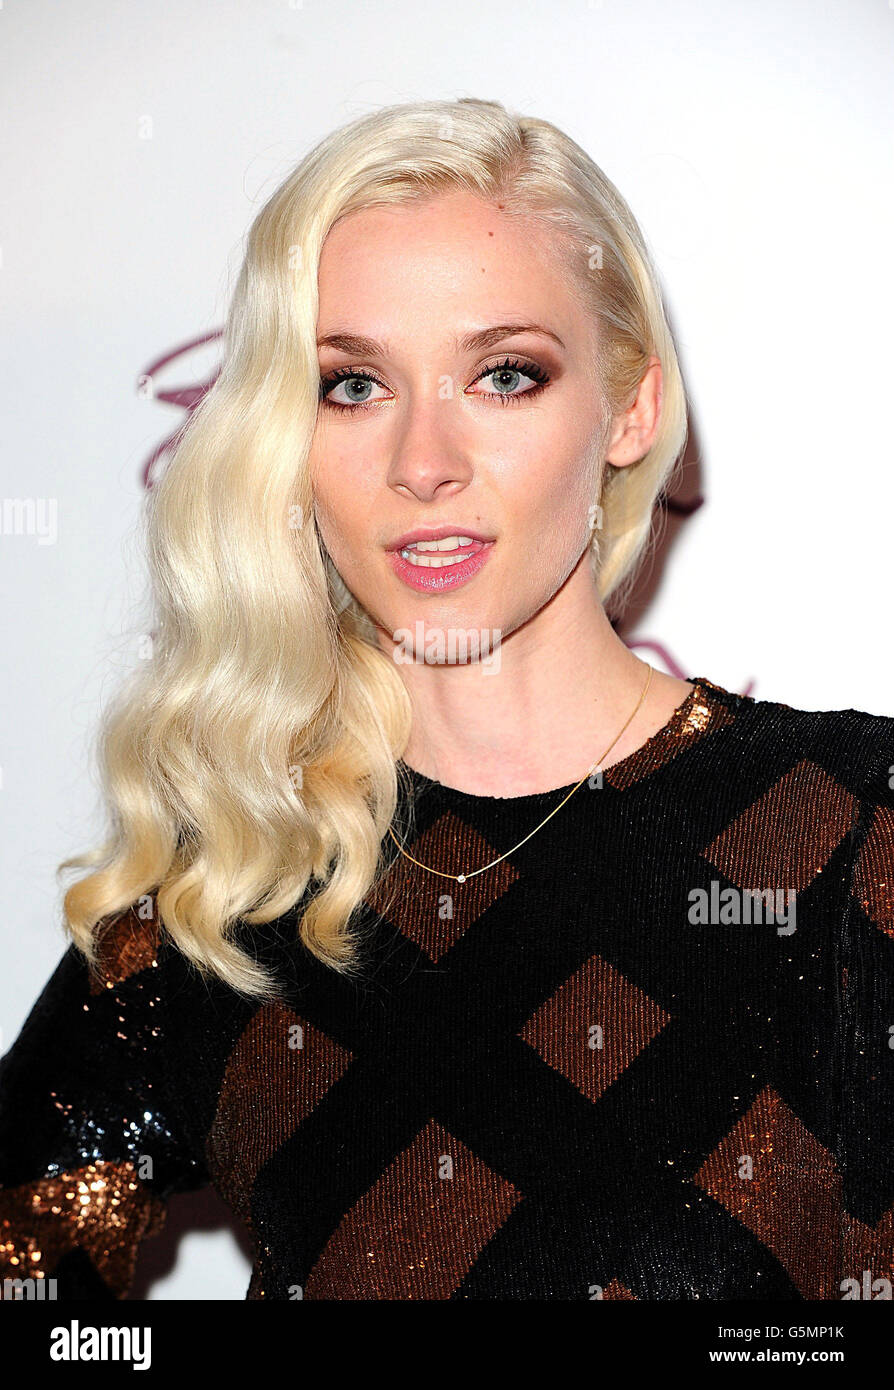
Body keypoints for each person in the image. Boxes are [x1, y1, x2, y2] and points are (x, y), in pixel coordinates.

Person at [1, 96, 892, 1302]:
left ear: (630, 408)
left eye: (504, 374)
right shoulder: (231, 890)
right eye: (354, 385)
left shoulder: (847, 826)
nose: (423, 462)